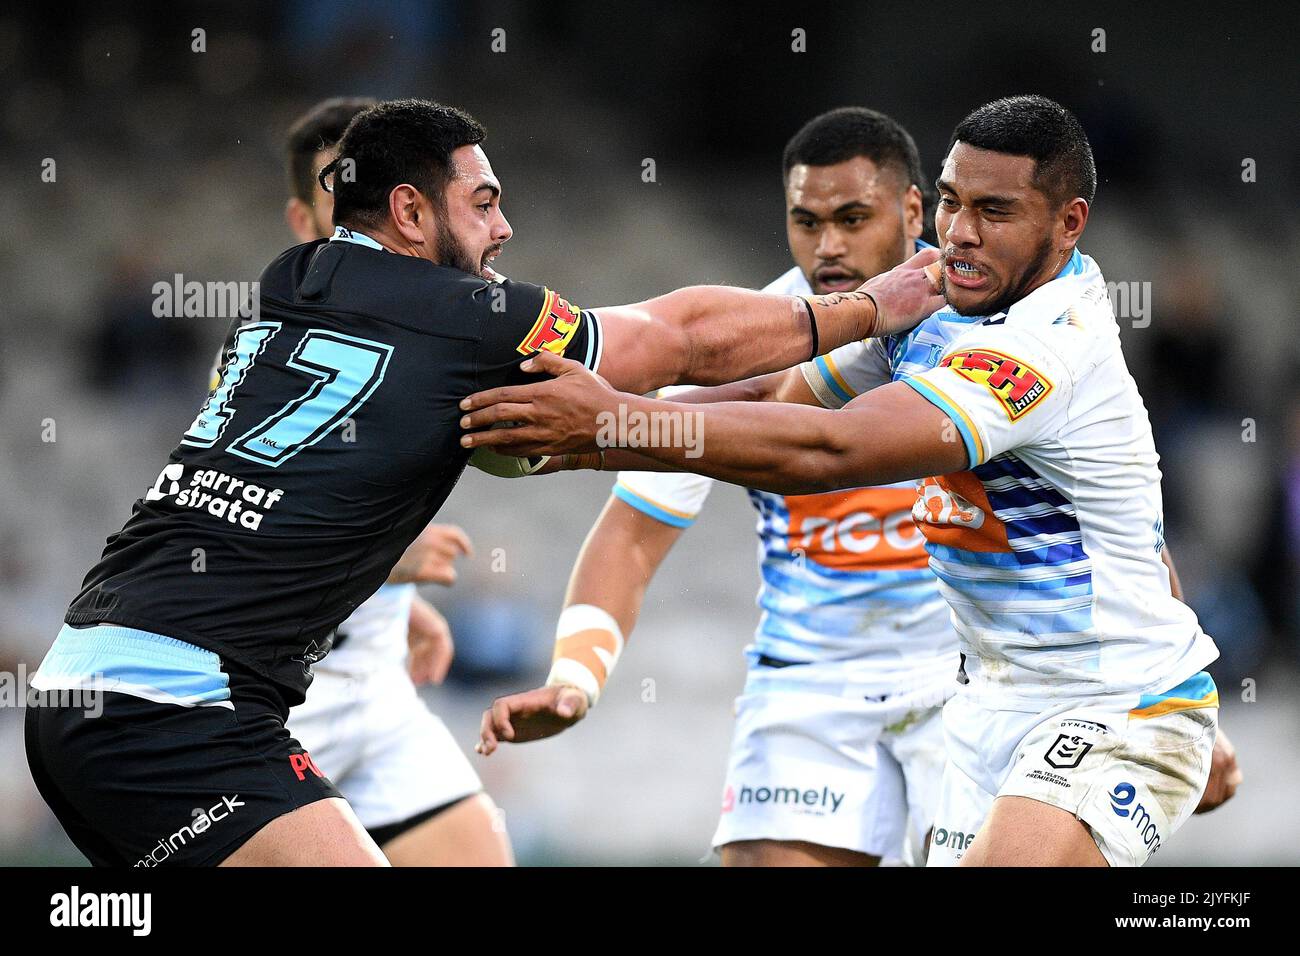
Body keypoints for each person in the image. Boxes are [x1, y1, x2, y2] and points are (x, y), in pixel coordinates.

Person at [25, 98, 942, 867]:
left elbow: (324, 466)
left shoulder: (293, 280)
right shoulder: (462, 317)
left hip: (97, 681)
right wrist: (870, 310)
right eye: (484, 202)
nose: (504, 228)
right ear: (413, 213)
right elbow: (676, 338)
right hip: (178, 712)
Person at [463, 95, 1226, 866]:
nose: (961, 233)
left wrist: (606, 424)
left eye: (994, 212)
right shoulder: (931, 295)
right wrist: (588, 440)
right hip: (972, 697)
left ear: (1068, 223)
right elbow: (775, 396)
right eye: (957, 205)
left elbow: (831, 450)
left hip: (1107, 704)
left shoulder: (1045, 348)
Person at [479, 108, 954, 867]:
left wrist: (1161, 684)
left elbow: (1093, 498)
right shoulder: (755, 333)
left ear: (912, 211)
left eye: (852, 218)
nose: (828, 245)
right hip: (811, 682)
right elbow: (632, 537)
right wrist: (574, 678)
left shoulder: (988, 320)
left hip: (969, 679)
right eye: (806, 221)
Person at [279, 98, 512, 866]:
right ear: (302, 216)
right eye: (336, 193)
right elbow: (240, 523)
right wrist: (389, 559)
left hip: (376, 688)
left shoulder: (431, 324)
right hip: (280, 701)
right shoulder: (275, 346)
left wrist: (397, 606)